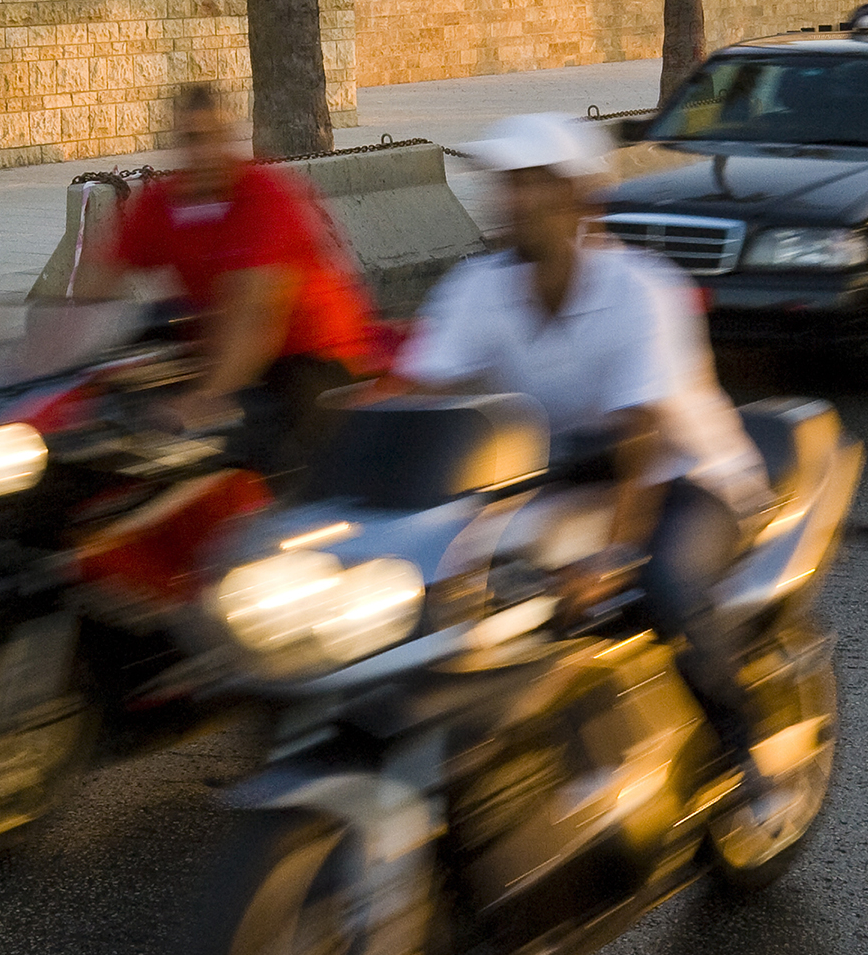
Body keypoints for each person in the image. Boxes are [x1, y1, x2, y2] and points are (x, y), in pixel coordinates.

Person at [381, 112, 787, 849]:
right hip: (555, 484)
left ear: (579, 199)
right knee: (447, 595)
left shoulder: (640, 291)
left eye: (534, 184)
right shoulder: (478, 289)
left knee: (662, 585)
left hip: (683, 478)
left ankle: (745, 750)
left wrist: (610, 560)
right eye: (507, 184)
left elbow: (640, 439)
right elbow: (417, 395)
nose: (512, 200)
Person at [72, 81, 390, 485]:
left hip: (309, 353)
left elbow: (257, 323)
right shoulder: (164, 202)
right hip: (220, 335)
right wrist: (46, 358)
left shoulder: (266, 200)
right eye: (190, 138)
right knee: (124, 369)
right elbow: (97, 279)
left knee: (262, 453)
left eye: (210, 137)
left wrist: (200, 403)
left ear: (226, 137)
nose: (201, 151)